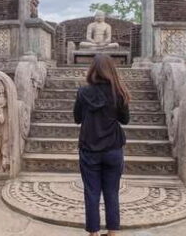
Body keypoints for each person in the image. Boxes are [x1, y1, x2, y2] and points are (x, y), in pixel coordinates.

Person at [73, 54, 130, 236]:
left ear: (92, 70)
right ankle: (113, 232)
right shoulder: (119, 92)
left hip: (89, 148)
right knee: (112, 192)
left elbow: (77, 119)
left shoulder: (83, 92)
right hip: (113, 148)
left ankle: (94, 233)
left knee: (92, 192)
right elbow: (125, 120)